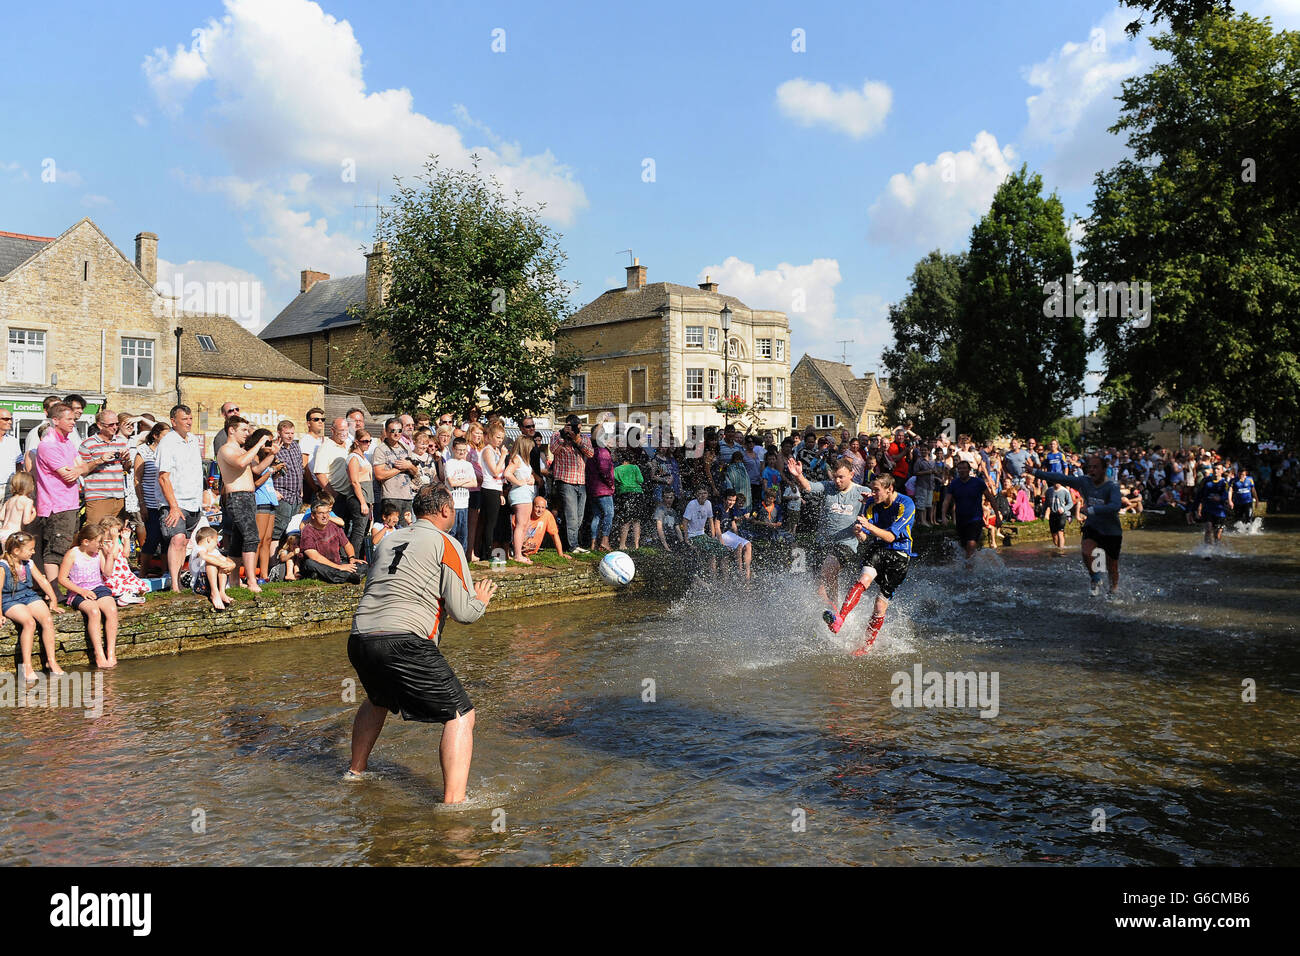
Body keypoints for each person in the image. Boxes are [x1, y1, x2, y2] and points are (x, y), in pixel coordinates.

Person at [346, 484, 498, 802]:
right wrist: (481, 600)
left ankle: (354, 773)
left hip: (360, 637)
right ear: (445, 511)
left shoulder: (388, 540)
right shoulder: (446, 543)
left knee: (378, 699)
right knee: (460, 714)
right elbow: (464, 613)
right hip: (404, 638)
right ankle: (454, 805)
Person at [823, 473, 916, 656]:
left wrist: (869, 527)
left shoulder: (906, 504)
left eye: (876, 490)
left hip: (900, 554)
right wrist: (859, 531)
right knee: (864, 579)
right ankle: (839, 620)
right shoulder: (872, 503)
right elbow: (865, 536)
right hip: (878, 548)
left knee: (880, 606)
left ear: (889, 489)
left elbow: (890, 536)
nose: (872, 493)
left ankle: (866, 647)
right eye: (871, 489)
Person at [36, 403, 117, 594]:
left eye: (74, 419)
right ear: (55, 420)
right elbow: (69, 475)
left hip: (70, 502)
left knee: (68, 546)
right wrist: (81, 468)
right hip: (56, 505)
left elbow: (81, 468)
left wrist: (85, 466)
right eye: (69, 419)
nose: (74, 422)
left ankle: (64, 588)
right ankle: (54, 592)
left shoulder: (67, 442)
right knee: (54, 551)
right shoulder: (48, 445)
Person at [785, 456, 872, 611]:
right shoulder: (828, 486)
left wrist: (872, 502)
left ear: (851, 475)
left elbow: (880, 502)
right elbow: (809, 487)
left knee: (829, 567)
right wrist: (798, 476)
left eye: (841, 477)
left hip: (846, 544)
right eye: (835, 477)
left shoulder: (862, 492)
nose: (837, 481)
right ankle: (826, 616)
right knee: (818, 589)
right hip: (823, 543)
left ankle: (837, 610)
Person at [1032, 454, 1124, 595]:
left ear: (1104, 470)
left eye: (1096, 467)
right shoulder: (1084, 482)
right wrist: (1035, 472)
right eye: (1090, 467)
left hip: (1111, 530)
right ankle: (1096, 578)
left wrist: (1092, 509)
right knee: (1086, 551)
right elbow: (1060, 478)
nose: (1092, 470)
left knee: (1112, 565)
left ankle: (1114, 591)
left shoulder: (1112, 487)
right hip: (1093, 525)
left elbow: (1115, 506)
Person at [217, 416, 272, 594]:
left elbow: (255, 470)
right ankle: (251, 581)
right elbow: (241, 463)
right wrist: (259, 443)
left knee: (238, 540)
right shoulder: (226, 449)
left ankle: (234, 581)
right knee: (252, 537)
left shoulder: (241, 450)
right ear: (231, 430)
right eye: (243, 430)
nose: (247, 434)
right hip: (238, 498)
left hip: (248, 497)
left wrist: (271, 454)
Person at [2, 531, 66, 683]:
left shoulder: (28, 563)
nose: (34, 552)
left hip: (27, 595)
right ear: (16, 551)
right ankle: (27, 665)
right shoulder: (3, 566)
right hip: (9, 599)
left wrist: (53, 599)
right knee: (29, 623)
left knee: (47, 620)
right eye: (30, 549)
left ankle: (51, 660)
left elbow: (43, 581)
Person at [156, 405, 206, 593]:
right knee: (176, 540)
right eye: (184, 419)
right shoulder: (167, 443)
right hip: (175, 502)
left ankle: (177, 581)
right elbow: (163, 477)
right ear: (173, 421)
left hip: (193, 501)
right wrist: (173, 506)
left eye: (190, 418)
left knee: (184, 542)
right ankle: (175, 585)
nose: (189, 422)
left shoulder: (192, 440)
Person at [58, 523, 118, 668]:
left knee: (111, 609)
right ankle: (99, 653)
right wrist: (82, 591)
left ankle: (111, 651)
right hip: (78, 591)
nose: (100, 545)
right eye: (98, 542)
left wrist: (109, 555)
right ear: (86, 542)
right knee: (94, 611)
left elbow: (107, 573)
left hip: (97, 587)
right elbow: (62, 578)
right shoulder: (73, 553)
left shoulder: (99, 553)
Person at [550, 414, 594, 554]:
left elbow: (590, 453)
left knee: (579, 516)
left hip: (581, 481)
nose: (572, 428)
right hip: (565, 480)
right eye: (569, 425)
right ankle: (573, 546)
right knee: (571, 515)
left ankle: (573, 542)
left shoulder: (584, 438)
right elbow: (553, 450)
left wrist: (576, 439)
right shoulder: (557, 435)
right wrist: (564, 435)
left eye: (574, 425)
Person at [299, 495, 366, 583]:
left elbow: (347, 544)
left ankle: (335, 575)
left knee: (364, 565)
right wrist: (339, 567)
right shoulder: (307, 531)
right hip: (320, 563)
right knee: (310, 563)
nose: (325, 516)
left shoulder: (334, 526)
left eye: (327, 513)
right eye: (320, 513)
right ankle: (347, 576)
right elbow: (314, 556)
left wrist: (352, 558)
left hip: (336, 562)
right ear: (313, 515)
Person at [942, 459, 997, 563]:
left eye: (964, 468)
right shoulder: (954, 484)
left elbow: (991, 498)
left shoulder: (978, 482)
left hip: (975, 519)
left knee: (970, 545)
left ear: (969, 470)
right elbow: (946, 501)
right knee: (964, 548)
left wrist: (997, 516)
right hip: (961, 520)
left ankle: (968, 574)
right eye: (960, 469)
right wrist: (944, 516)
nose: (962, 471)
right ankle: (972, 566)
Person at [372, 417, 420, 527]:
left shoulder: (406, 448)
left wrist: (409, 466)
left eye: (399, 431)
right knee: (390, 529)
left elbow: (415, 471)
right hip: (391, 496)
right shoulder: (380, 449)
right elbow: (379, 475)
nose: (396, 433)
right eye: (393, 431)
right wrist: (399, 469)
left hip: (407, 496)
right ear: (386, 432)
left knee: (405, 530)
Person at [682, 485, 728, 580]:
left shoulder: (708, 504)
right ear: (696, 495)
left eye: (705, 493)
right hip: (693, 536)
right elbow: (685, 521)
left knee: (723, 550)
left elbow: (711, 520)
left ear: (707, 494)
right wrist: (686, 539)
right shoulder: (692, 504)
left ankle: (725, 577)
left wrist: (713, 536)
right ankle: (712, 578)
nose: (702, 496)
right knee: (711, 551)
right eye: (700, 493)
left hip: (703, 535)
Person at [504, 434, 538, 563]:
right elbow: (507, 473)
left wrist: (531, 479)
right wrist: (519, 482)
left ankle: (519, 553)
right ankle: (518, 555)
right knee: (521, 524)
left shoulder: (524, 460)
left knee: (525, 524)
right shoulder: (517, 459)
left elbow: (527, 475)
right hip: (520, 494)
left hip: (526, 493)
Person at [190, 525, 237, 610]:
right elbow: (204, 556)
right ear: (209, 539)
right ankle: (215, 593)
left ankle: (222, 592)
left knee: (219, 561)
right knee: (211, 562)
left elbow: (226, 559)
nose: (217, 544)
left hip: (215, 584)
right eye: (216, 541)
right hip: (200, 585)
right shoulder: (198, 548)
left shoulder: (214, 551)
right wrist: (223, 564)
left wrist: (232, 565)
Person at [345, 431, 375, 558]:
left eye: (369, 441)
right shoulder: (354, 458)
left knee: (363, 530)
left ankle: (360, 558)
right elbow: (355, 482)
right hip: (358, 498)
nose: (367, 444)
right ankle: (353, 558)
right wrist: (363, 502)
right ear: (357, 442)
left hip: (367, 497)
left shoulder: (363, 457)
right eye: (365, 441)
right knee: (358, 530)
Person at [444, 436, 476, 554]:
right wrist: (465, 481)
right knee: (452, 532)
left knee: (463, 534)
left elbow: (474, 483)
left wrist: (460, 482)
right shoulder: (450, 463)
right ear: (453, 449)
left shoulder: (468, 465)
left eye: (464, 450)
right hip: (453, 503)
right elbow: (451, 483)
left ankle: (462, 557)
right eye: (459, 450)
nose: (462, 452)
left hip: (464, 503)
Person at [587, 425, 616, 552]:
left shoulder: (591, 451)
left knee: (597, 515)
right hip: (603, 489)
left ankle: (593, 543)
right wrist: (611, 484)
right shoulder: (603, 452)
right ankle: (604, 541)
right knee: (609, 514)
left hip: (592, 489)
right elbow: (605, 471)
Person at [516, 495, 570, 560]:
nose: (540, 510)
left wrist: (560, 554)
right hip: (517, 550)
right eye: (537, 507)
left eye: (542, 507)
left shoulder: (547, 515)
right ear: (532, 506)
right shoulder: (524, 513)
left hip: (531, 551)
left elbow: (554, 535)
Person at [613, 449, 645, 552]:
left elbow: (615, 481)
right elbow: (641, 480)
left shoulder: (617, 469)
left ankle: (622, 544)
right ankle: (636, 545)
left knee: (625, 520)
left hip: (624, 494)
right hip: (637, 493)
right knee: (636, 521)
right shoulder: (635, 467)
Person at [1194, 462, 1233, 547]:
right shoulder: (1205, 480)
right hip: (1207, 509)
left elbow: (1227, 494)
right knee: (1208, 529)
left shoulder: (1224, 483)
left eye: (1218, 469)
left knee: (1217, 534)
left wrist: (1221, 498)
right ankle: (1207, 549)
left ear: (1222, 471)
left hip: (1220, 511)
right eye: (1214, 468)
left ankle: (1217, 549)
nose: (1216, 471)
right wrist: (1196, 508)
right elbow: (1199, 495)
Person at [0, 471, 37, 547]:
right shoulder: (27, 501)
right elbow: (26, 521)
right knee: (12, 557)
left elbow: (1, 517)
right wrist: (34, 514)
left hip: (2, 532)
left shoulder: (9, 500)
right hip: (13, 534)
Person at [1047, 479, 1074, 550]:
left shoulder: (1065, 491)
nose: (1056, 484)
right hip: (1053, 514)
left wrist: (1063, 509)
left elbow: (1071, 503)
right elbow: (1046, 503)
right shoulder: (1049, 491)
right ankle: (1057, 547)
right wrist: (1043, 513)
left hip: (1062, 514)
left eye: (1058, 482)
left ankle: (1061, 550)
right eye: (1055, 482)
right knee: (1054, 535)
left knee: (1060, 532)